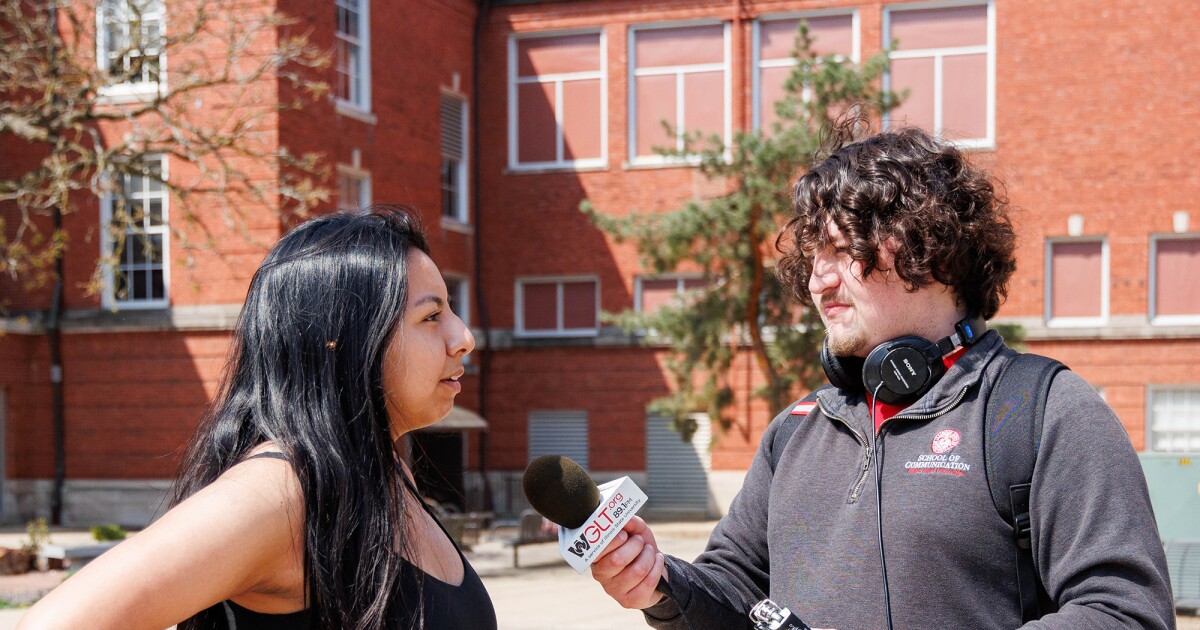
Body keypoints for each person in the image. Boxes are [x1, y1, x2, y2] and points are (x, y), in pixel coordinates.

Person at [590, 125, 1175, 629]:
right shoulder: (796, 432)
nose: (819, 283)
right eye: (813, 258)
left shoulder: (1044, 412)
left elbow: (1125, 611)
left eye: (843, 251)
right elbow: (735, 588)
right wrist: (658, 581)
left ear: (934, 249)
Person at [18, 206, 496, 630]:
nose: (463, 336)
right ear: (342, 339)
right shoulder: (281, 493)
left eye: (449, 309)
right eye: (430, 318)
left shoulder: (385, 472)